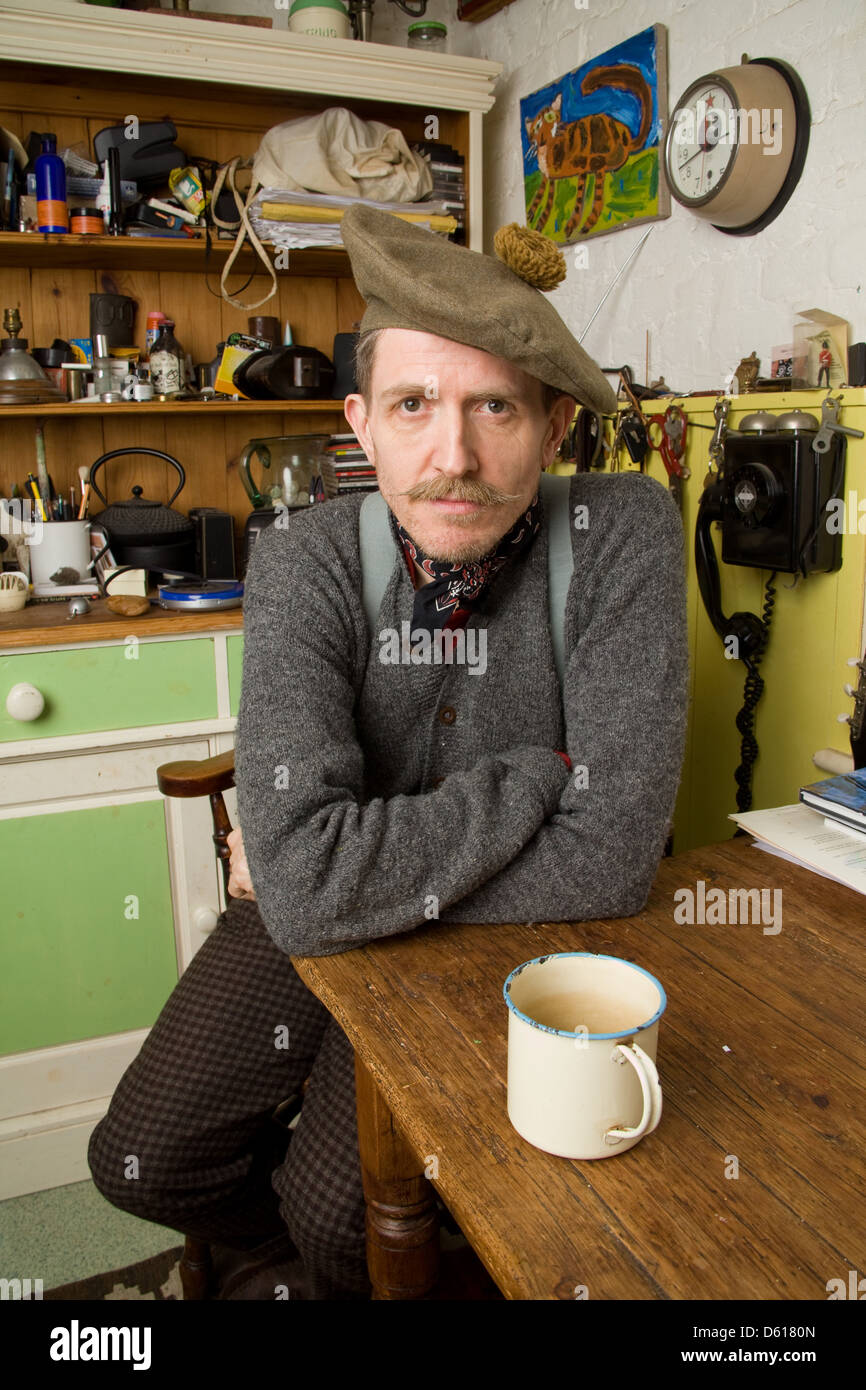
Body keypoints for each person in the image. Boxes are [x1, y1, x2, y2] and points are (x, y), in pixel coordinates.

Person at [88, 206, 689, 1300]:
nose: (450, 456)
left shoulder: (622, 534)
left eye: (493, 406)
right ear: (360, 425)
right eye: (413, 404)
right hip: (428, 893)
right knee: (142, 1157)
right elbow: (305, 890)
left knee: (344, 1222)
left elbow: (608, 864)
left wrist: (319, 865)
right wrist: (537, 775)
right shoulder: (303, 559)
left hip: (490, 939)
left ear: (553, 427)